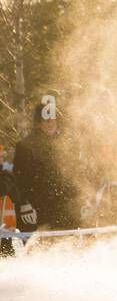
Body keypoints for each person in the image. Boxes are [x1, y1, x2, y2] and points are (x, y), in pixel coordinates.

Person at [13, 97, 80, 232]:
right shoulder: (25, 146)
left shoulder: (64, 145)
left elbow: (71, 175)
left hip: (62, 208)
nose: (51, 124)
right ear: (38, 123)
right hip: (37, 208)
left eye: (53, 120)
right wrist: (24, 204)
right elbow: (20, 179)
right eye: (46, 120)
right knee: (38, 248)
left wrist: (78, 198)